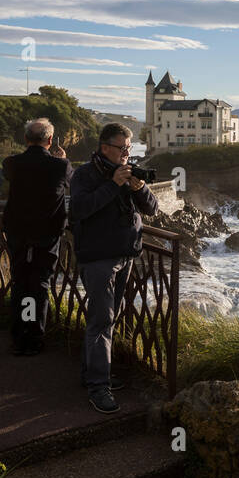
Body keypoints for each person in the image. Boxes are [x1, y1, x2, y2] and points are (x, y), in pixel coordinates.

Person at [69, 122, 158, 414]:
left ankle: (91, 374)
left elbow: (152, 209)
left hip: (125, 256)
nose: (126, 153)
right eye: (122, 148)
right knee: (101, 320)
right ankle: (98, 387)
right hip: (98, 258)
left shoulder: (127, 172)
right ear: (104, 147)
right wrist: (113, 185)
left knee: (108, 316)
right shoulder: (85, 174)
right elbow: (80, 210)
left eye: (129, 148)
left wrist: (140, 188)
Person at [1, 118, 73, 356]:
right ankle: (34, 336)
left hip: (17, 231)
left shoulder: (11, 163)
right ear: (50, 140)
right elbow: (69, 181)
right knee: (39, 283)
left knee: (21, 281)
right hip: (47, 233)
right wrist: (61, 159)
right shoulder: (60, 166)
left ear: (25, 139)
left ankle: (20, 336)